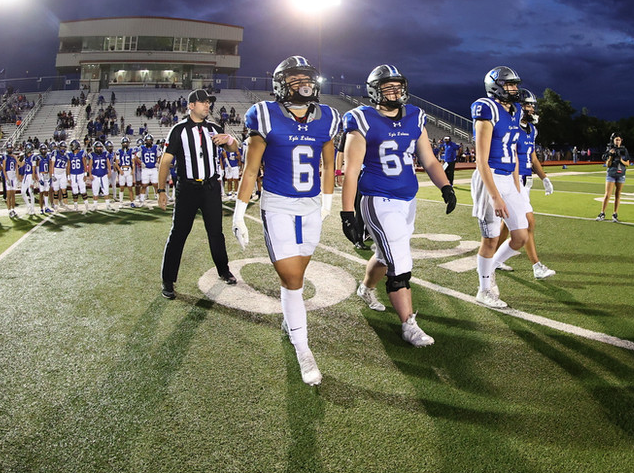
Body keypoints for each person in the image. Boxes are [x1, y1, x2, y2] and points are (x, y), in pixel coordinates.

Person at [232, 56, 339, 386]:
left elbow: (328, 165)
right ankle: (303, 348)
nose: (303, 84)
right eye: (295, 79)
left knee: (297, 276)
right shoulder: (265, 115)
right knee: (292, 279)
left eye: (307, 78)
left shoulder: (327, 117)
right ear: (280, 84)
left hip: (311, 207)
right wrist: (239, 214)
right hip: (278, 205)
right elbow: (251, 169)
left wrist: (327, 203)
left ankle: (290, 319)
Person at [340, 64, 457, 347]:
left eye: (398, 86)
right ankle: (409, 325)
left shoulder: (415, 116)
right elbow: (351, 170)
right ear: (374, 91)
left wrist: (445, 186)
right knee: (401, 263)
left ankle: (366, 288)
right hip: (378, 199)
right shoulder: (361, 119)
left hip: (407, 200)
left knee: (385, 254)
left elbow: (429, 159)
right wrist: (347, 213)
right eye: (388, 88)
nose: (395, 92)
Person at [158, 89, 239, 300]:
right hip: (187, 189)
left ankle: (223, 270)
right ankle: (168, 279)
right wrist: (161, 190)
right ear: (191, 105)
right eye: (203, 102)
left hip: (211, 187)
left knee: (216, 233)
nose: (207, 105)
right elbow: (165, 161)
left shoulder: (214, 128)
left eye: (208, 102)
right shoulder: (179, 130)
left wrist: (229, 139)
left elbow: (233, 149)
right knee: (178, 234)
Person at [469, 66, 531, 309]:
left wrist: (516, 187)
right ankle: (484, 289)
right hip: (490, 177)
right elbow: (481, 160)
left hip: (508, 178)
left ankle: (491, 266)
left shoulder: (515, 111)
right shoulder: (487, 109)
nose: (514, 89)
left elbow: (513, 152)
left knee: (521, 236)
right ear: (496, 86)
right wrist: (495, 196)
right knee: (490, 239)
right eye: (509, 85)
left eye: (515, 84)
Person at [494, 89, 556, 279]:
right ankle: (536, 266)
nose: (531, 109)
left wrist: (544, 178)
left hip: (526, 181)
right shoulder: (512, 127)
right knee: (528, 223)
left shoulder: (532, 130)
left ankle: (492, 259)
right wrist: (515, 186)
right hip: (515, 180)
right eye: (528, 105)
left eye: (532, 105)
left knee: (508, 225)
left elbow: (532, 157)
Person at [597, 133, 629, 222]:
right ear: (613, 140)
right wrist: (611, 156)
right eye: (616, 139)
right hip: (611, 173)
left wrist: (621, 159)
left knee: (618, 194)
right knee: (608, 194)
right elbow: (608, 164)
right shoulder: (610, 149)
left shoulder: (624, 150)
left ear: (621, 140)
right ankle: (602, 213)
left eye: (619, 139)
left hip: (621, 174)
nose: (617, 141)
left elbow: (627, 163)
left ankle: (615, 214)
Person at [87, 140, 114, 211]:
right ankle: (95, 205)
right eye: (97, 147)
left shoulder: (105, 154)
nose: (99, 149)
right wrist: (90, 174)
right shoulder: (92, 155)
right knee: (95, 191)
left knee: (106, 190)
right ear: (95, 148)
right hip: (95, 175)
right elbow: (90, 165)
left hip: (104, 174)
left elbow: (108, 163)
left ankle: (108, 205)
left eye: (100, 147)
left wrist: (109, 171)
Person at [67, 139, 88, 213]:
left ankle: (86, 205)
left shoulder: (81, 153)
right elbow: (68, 166)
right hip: (73, 174)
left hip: (80, 174)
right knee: (74, 190)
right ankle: (75, 206)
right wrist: (68, 177)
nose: (71, 147)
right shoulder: (70, 154)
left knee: (83, 190)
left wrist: (85, 174)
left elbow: (85, 165)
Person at [115, 137, 137, 208]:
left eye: (126, 143)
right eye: (124, 143)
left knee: (130, 187)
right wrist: (119, 170)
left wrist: (133, 170)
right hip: (122, 169)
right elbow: (116, 163)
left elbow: (133, 162)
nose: (125, 144)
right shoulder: (119, 151)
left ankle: (132, 202)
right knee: (121, 187)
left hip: (129, 169)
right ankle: (121, 202)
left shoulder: (131, 151)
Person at [1, 142, 20, 218]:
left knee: (13, 194)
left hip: (13, 175)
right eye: (8, 148)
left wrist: (17, 177)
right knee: (8, 195)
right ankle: (9, 210)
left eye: (10, 148)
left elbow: (17, 167)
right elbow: (3, 168)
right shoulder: (5, 157)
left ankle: (13, 209)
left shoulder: (14, 157)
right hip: (8, 175)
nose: (9, 149)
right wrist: (6, 178)